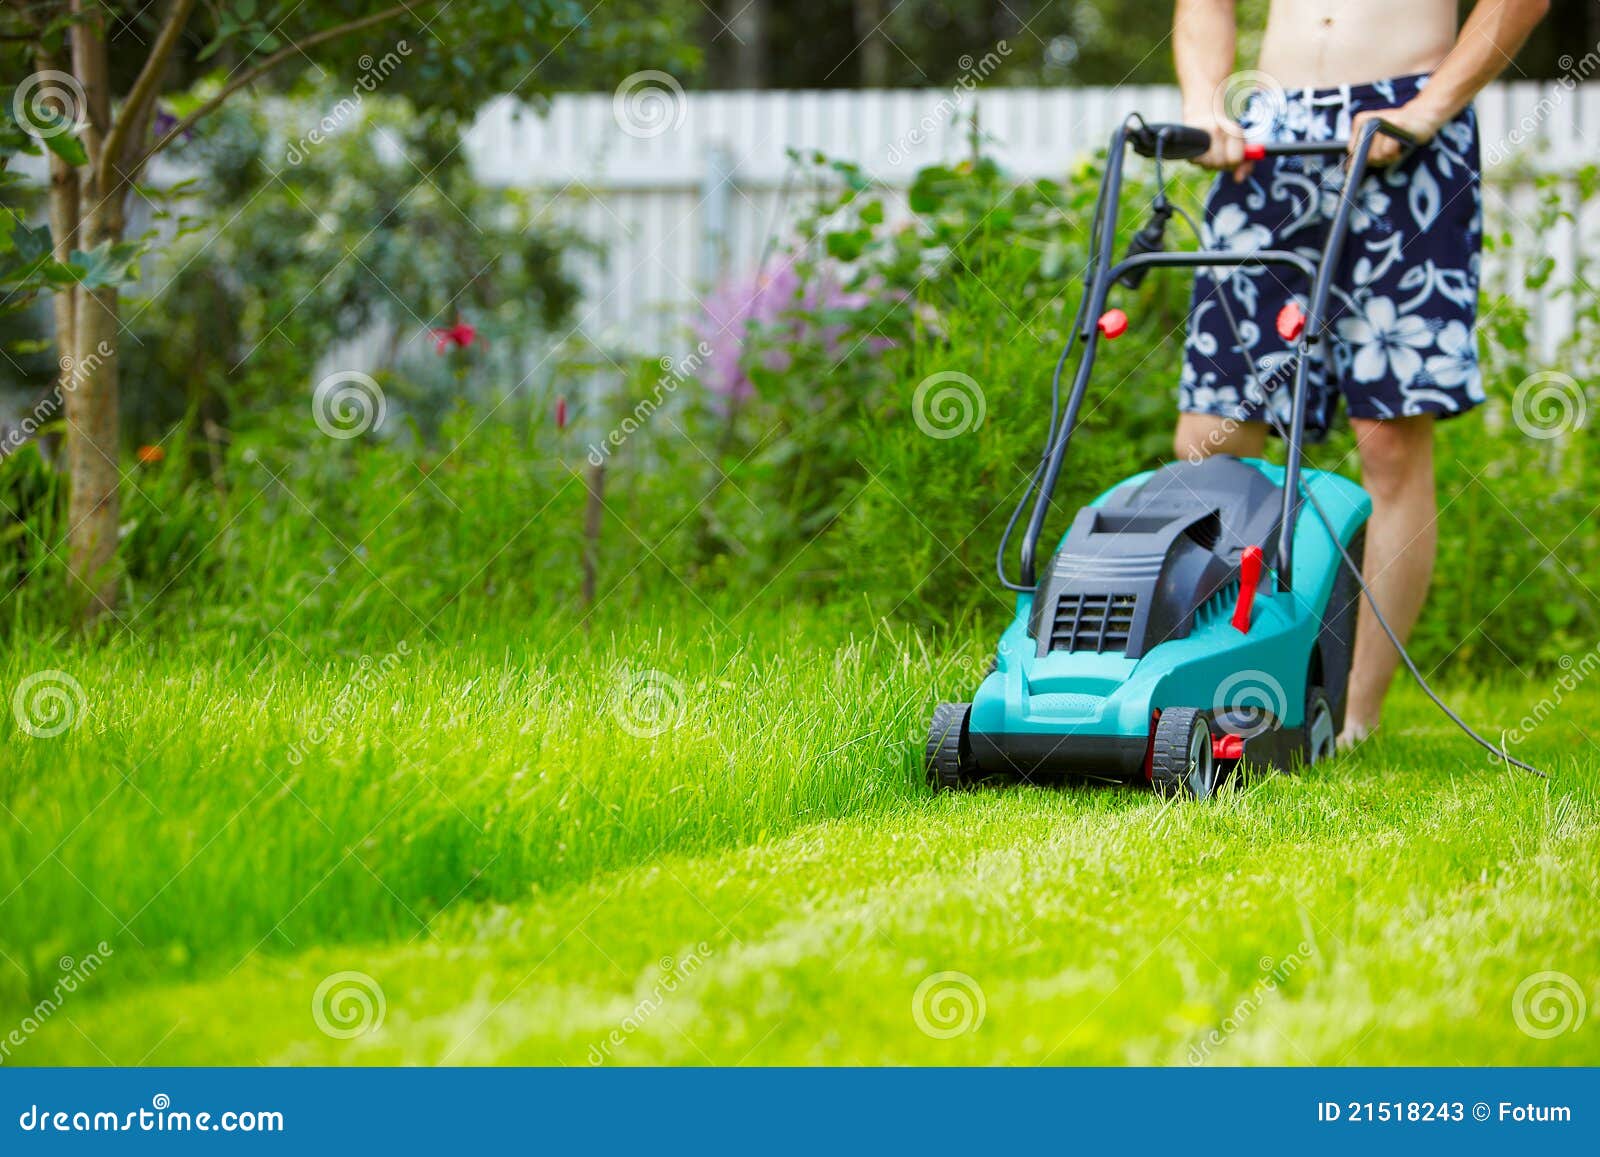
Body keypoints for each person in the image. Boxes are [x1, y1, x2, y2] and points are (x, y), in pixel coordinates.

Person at [1171, 0, 1550, 746]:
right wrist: (1204, 106)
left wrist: (1427, 108)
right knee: (1212, 433)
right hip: (1269, 134)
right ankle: (1220, 676)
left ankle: (1355, 719)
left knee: (1389, 440)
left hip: (1408, 127)